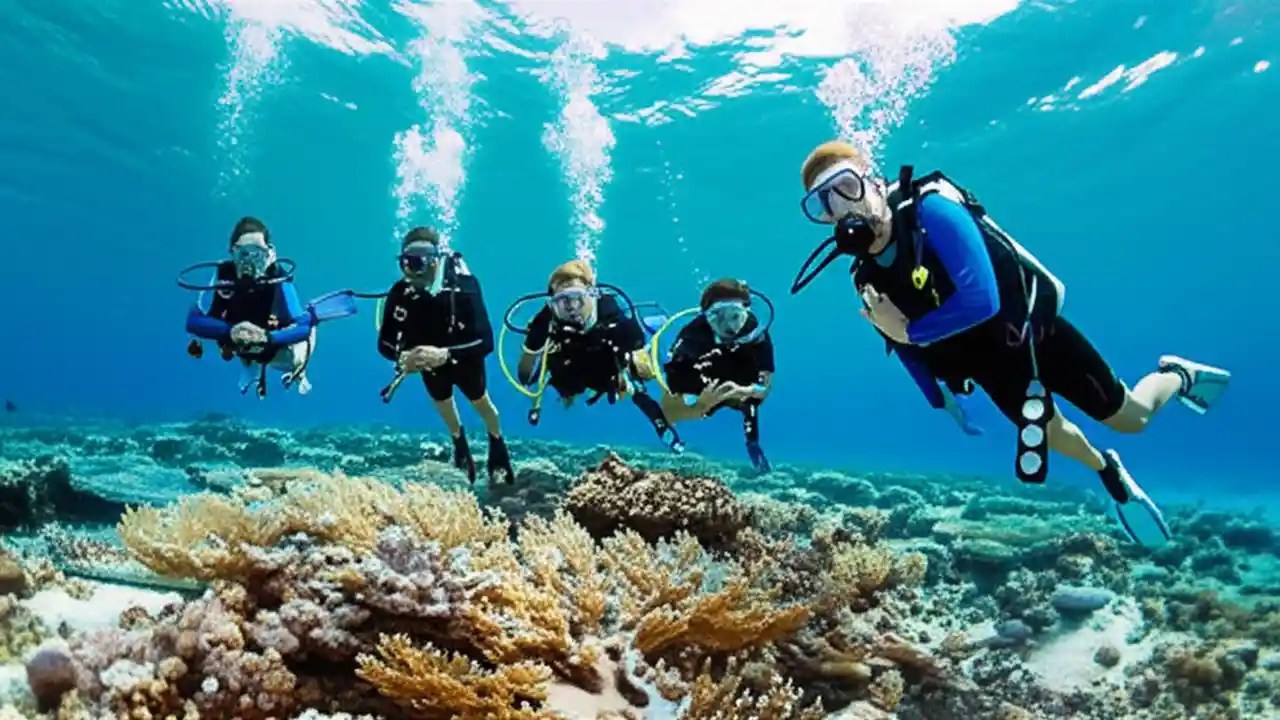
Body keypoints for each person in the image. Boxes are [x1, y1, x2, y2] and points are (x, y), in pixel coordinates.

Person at [791, 140, 1231, 548]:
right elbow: (901, 345)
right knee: (1053, 433)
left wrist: (907, 332)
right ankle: (1108, 472)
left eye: (845, 187)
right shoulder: (864, 276)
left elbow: (981, 300)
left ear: (870, 178)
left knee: (1130, 418)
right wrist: (939, 400)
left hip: (1033, 331)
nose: (839, 208)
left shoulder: (932, 212)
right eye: (822, 203)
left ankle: (1176, 375)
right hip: (987, 364)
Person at [377, 227, 513, 485]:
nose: (415, 270)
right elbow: (383, 343)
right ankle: (459, 442)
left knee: (482, 404)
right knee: (443, 404)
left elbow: (486, 341)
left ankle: (496, 441)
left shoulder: (465, 286)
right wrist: (402, 357)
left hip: (465, 361)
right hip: (428, 365)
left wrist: (445, 354)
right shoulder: (399, 293)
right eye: (408, 263)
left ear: (437, 260)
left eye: (422, 262)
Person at [513, 259, 684, 452]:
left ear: (592, 295)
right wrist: (532, 345)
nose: (572, 309)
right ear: (552, 305)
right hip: (569, 371)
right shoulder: (544, 323)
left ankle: (662, 427)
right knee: (567, 387)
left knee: (636, 379)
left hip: (608, 370)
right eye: (563, 302)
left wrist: (633, 363)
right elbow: (524, 377)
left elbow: (637, 349)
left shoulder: (613, 317)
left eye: (578, 299)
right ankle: (569, 398)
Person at [185, 217, 319, 397]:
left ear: (269, 254)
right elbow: (193, 320)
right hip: (238, 344)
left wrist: (266, 337)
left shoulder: (278, 276)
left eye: (257, 254)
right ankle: (250, 365)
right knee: (245, 346)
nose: (249, 263)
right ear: (232, 254)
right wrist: (230, 332)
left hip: (274, 343)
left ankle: (298, 371)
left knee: (309, 333)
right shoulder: (223, 276)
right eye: (243, 254)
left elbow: (303, 326)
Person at [657, 278, 776, 473]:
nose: (727, 327)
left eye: (735, 316)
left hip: (741, 381)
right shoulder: (691, 339)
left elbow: (765, 384)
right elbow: (671, 401)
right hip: (703, 383)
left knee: (751, 404)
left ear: (746, 312)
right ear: (705, 316)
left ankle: (752, 443)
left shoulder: (756, 332)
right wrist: (701, 404)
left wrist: (746, 391)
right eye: (716, 316)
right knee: (686, 406)